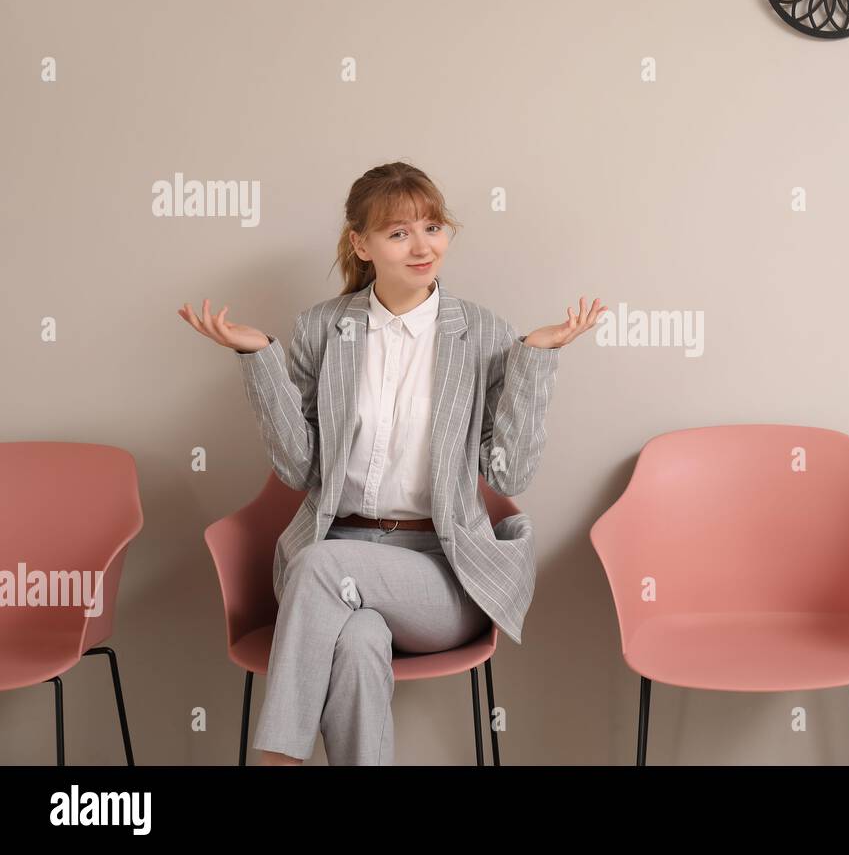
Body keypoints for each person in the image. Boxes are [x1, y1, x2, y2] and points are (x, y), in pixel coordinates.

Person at [178, 161, 605, 764]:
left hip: (442, 570)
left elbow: (510, 476)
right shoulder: (323, 328)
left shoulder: (483, 333)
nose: (422, 245)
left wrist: (534, 359)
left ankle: (276, 759)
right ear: (362, 243)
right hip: (338, 554)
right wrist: (261, 358)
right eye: (399, 232)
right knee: (355, 644)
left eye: (433, 227)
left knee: (321, 565)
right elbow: (301, 470)